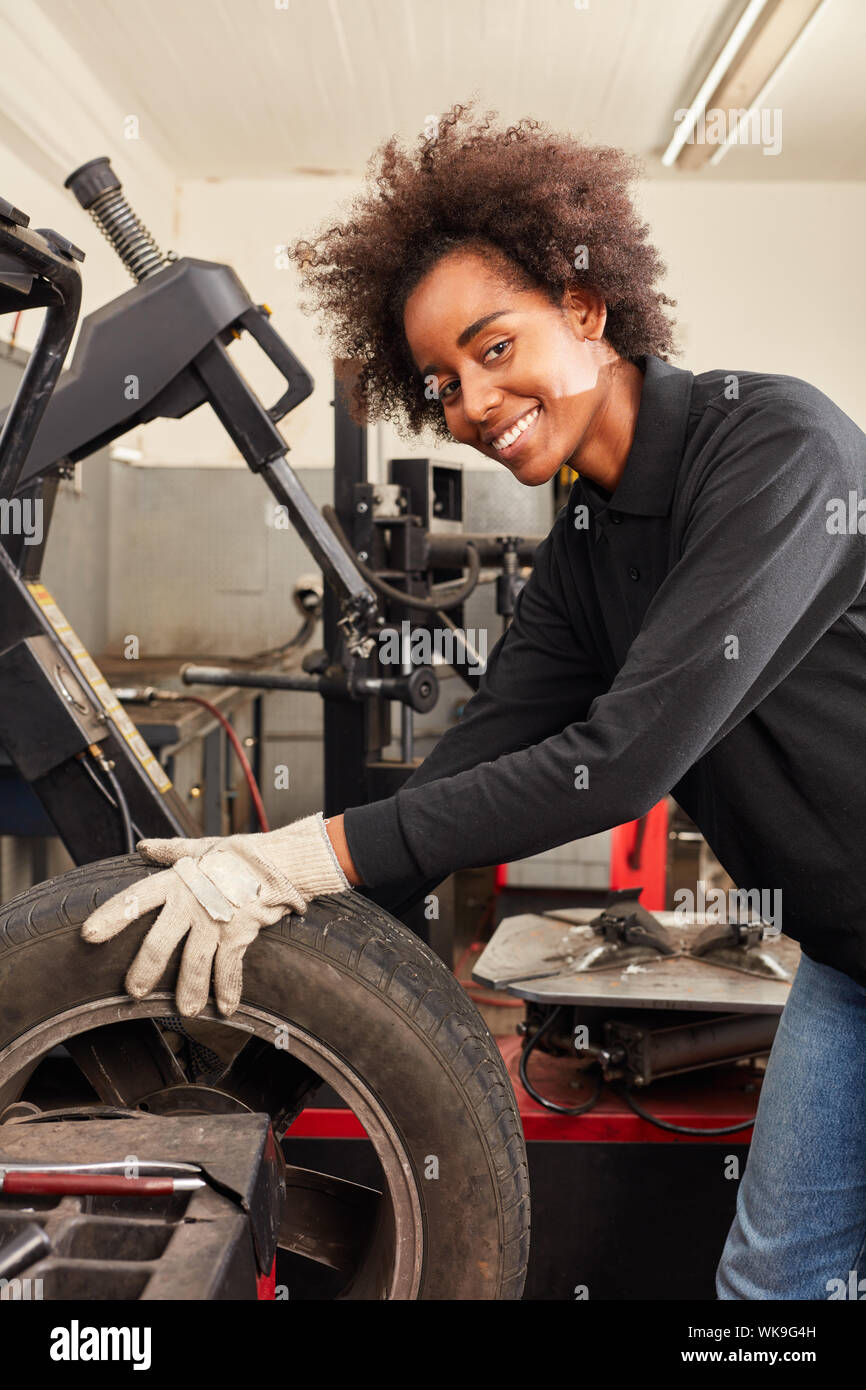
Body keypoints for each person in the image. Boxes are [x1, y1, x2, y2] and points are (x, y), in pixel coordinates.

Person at [82, 102, 866, 1300]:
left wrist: (306, 855)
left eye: (494, 348)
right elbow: (468, 770)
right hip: (847, 959)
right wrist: (262, 993)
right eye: (443, 382)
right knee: (772, 1290)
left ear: (587, 308)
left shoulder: (775, 448)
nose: (473, 404)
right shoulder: (585, 552)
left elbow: (621, 760)